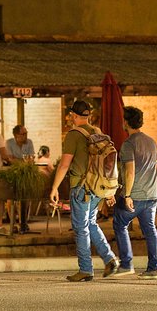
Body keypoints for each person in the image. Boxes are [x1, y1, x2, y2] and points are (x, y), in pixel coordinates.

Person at [51, 101, 119, 282]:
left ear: (73, 115)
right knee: (91, 223)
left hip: (81, 187)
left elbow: (65, 164)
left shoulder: (74, 135)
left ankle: (85, 269)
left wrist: (54, 187)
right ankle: (110, 258)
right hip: (97, 188)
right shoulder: (98, 132)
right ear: (88, 115)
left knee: (81, 228)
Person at [112, 107, 157, 280]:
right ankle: (154, 268)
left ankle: (126, 264)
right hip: (152, 194)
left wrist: (127, 195)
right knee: (150, 229)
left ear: (126, 122)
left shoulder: (128, 144)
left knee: (119, 223)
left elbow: (130, 172)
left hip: (136, 195)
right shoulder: (151, 141)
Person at [6, 124, 37, 233]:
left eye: (26, 133)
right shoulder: (9, 143)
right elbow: (10, 159)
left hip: (25, 175)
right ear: (16, 135)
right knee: (11, 199)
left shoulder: (29, 142)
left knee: (26, 199)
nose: (25, 136)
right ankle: (12, 223)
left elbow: (31, 159)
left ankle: (23, 222)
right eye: (23, 134)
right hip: (13, 174)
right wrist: (23, 161)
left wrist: (17, 160)